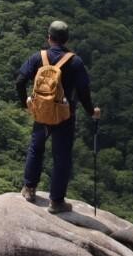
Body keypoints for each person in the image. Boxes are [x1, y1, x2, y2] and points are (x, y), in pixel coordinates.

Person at [15, 19, 102, 213]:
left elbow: (20, 81)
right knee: (61, 157)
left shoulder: (38, 57)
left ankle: (29, 189)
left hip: (41, 113)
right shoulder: (75, 62)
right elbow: (83, 92)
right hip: (65, 115)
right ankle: (56, 202)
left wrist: (26, 104)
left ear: (49, 38)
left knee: (36, 149)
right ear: (66, 39)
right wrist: (91, 112)